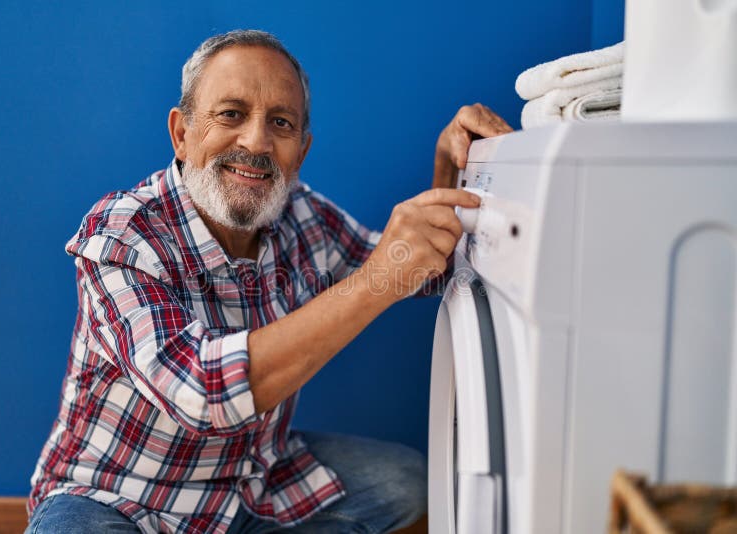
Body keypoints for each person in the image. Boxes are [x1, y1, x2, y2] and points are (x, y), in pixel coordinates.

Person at [26, 29, 512, 534]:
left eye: (280, 123)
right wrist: (378, 278)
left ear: (300, 153)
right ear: (182, 133)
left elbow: (417, 272)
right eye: (231, 114)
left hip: (251, 479)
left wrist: (447, 176)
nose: (256, 142)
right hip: (119, 495)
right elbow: (202, 393)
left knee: (405, 481)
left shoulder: (304, 215)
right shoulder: (122, 234)